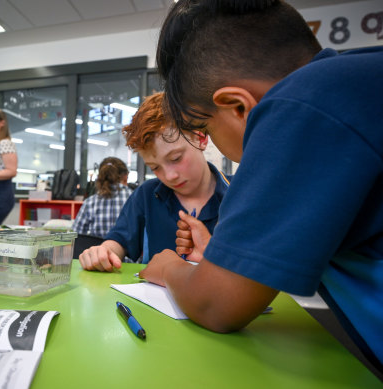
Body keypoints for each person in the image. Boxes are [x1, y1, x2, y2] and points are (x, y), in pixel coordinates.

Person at [140, 0, 383, 367]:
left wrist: (169, 268)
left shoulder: (299, 104)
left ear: (239, 106)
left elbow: (217, 304)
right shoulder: (351, 82)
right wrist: (230, 258)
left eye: (205, 127)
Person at [79, 92, 230, 272]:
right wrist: (103, 252)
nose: (169, 176)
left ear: (200, 138)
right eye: (155, 167)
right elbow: (118, 240)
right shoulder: (146, 194)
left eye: (176, 158)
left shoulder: (239, 193)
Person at [72, 157, 133, 238]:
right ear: (125, 176)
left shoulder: (90, 202)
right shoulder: (134, 198)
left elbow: (75, 235)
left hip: (98, 249)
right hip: (128, 250)